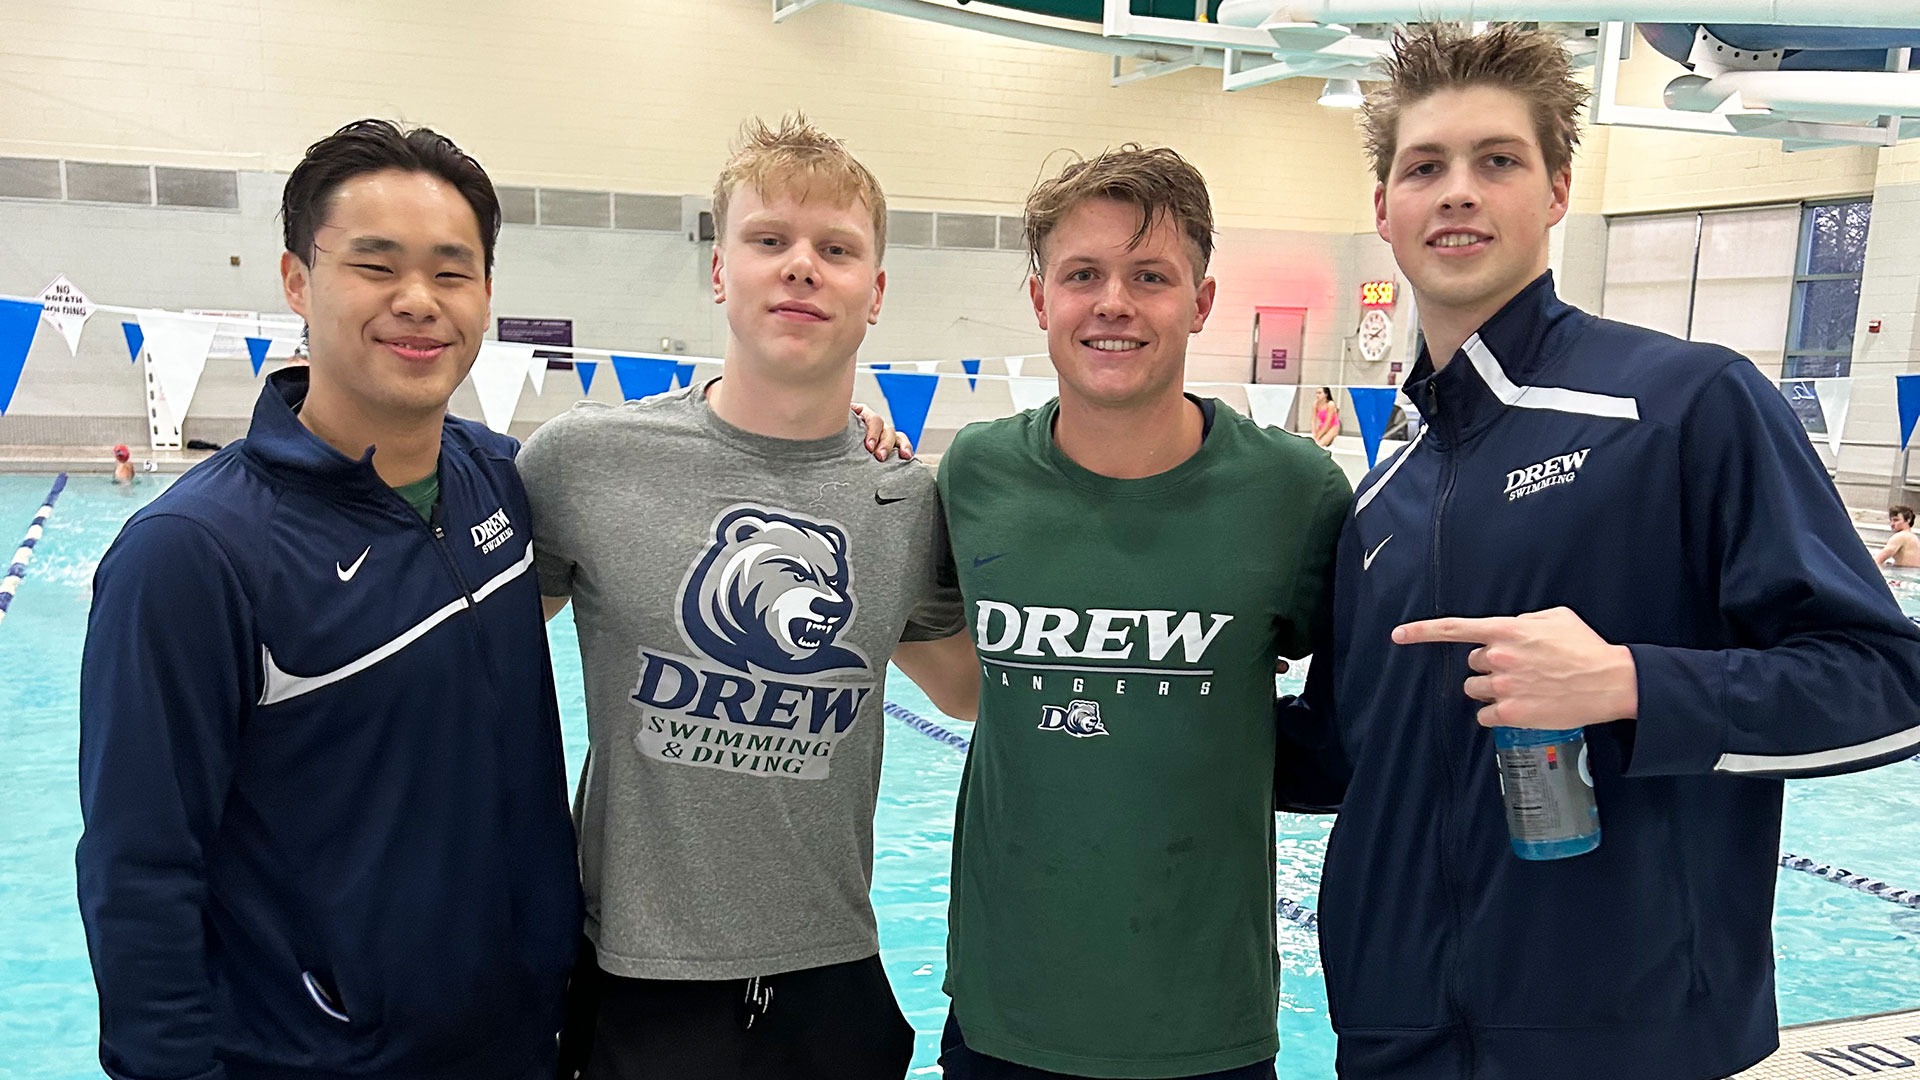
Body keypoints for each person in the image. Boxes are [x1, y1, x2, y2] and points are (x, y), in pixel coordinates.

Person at [1317, 23, 1920, 1080]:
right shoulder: (1380, 499)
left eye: (1496, 160)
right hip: (1394, 1035)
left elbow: (1886, 684)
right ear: (1384, 210)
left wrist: (1629, 683)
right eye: (1426, 167)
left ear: (1555, 190)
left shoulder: (1685, 406)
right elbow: (1346, 752)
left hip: (1627, 1040)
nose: (1458, 191)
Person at [76, 120, 585, 1080]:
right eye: (375, 265)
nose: (418, 303)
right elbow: (137, 877)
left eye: (452, 270)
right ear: (297, 279)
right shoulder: (193, 556)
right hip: (322, 1057)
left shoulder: (503, 482)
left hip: (523, 1036)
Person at [517, 114, 977, 1080]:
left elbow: (967, 692)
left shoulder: (907, 498)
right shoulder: (586, 462)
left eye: (837, 250)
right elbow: (459, 653)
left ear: (876, 291)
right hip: (635, 980)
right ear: (720, 270)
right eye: (770, 240)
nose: (802, 267)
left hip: (834, 979)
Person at [934, 145, 1350, 1080]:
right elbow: (947, 663)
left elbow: (1365, 714)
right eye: (1083, 274)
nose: (1113, 302)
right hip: (1006, 1015)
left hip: (1202, 1026)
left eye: (1150, 276)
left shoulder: (1293, 493)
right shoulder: (976, 473)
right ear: (1041, 298)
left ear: (1202, 302)